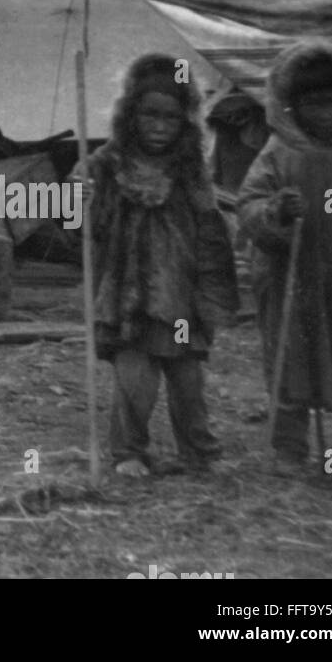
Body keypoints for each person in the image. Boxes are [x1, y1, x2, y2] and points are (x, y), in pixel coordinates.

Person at [85, 54, 238, 478]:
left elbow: (210, 233)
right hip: (127, 299)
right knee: (135, 382)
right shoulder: (106, 166)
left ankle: (199, 452)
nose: (158, 126)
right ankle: (129, 452)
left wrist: (212, 294)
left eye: (170, 118)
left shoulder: (190, 171)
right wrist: (79, 201)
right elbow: (85, 231)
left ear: (184, 122)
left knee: (188, 381)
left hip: (181, 301)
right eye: (149, 115)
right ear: (130, 115)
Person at [236, 39, 332, 479]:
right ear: (291, 105)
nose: (323, 113)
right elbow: (248, 205)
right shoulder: (278, 153)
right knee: (290, 359)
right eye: (311, 103)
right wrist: (276, 211)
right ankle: (289, 450)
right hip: (290, 281)